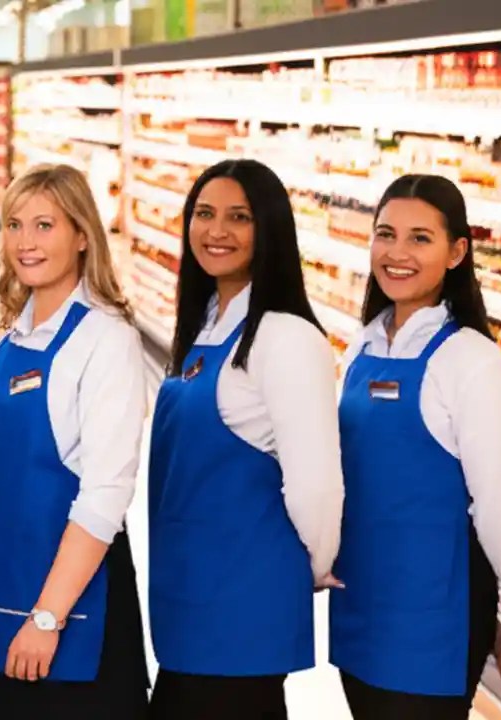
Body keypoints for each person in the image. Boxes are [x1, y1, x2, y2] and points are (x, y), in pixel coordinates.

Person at [146, 158, 343, 720]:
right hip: (189, 592)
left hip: (242, 600)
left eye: (239, 217)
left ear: (271, 229)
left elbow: (316, 484)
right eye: (204, 214)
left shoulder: (285, 336)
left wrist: (311, 563)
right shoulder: (206, 324)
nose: (217, 231)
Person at [328, 174, 501, 719]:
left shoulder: (471, 359)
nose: (397, 253)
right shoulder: (361, 345)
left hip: (432, 617)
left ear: (458, 251)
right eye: (385, 234)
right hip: (360, 603)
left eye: (420, 238)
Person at [0, 163, 150, 720]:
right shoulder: (15, 333)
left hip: (68, 616)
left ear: (83, 235)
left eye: (45, 225)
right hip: (3, 602)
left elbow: (105, 496)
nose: (26, 242)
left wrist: (47, 617)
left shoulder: (105, 341)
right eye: (15, 225)